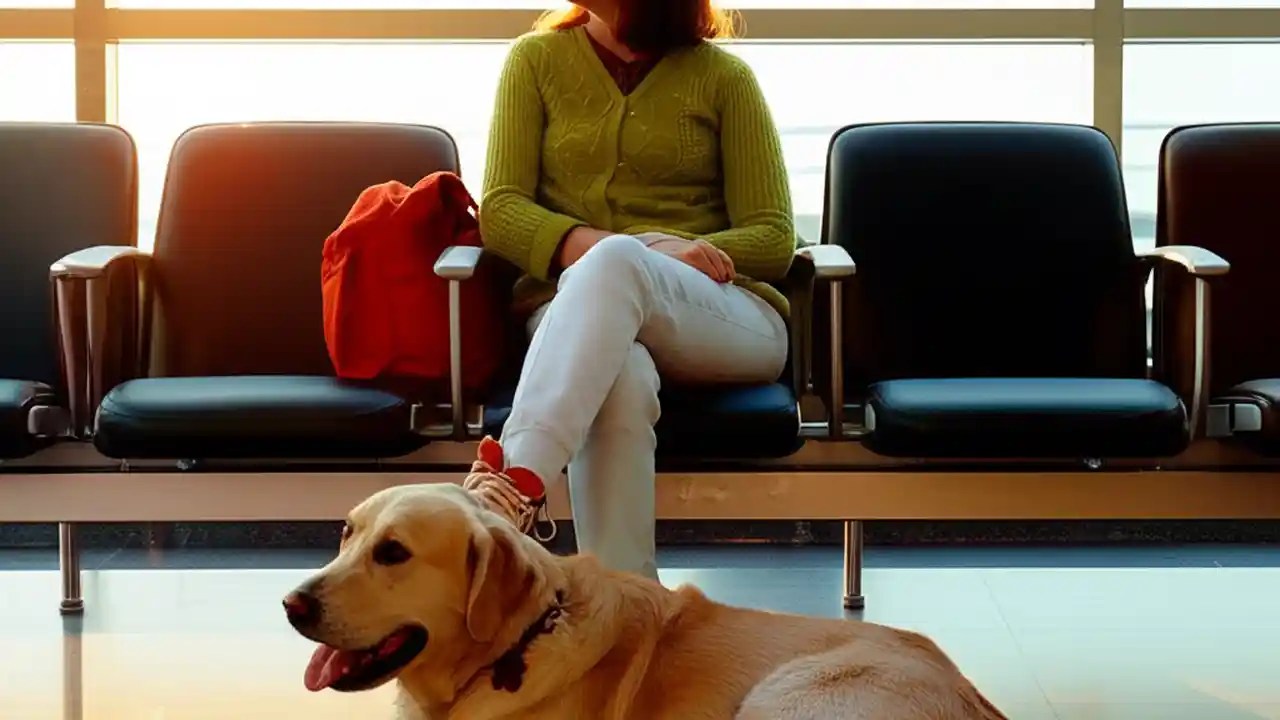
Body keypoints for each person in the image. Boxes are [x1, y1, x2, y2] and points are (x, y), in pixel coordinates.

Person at [467, 0, 795, 581]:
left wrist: (656, 256)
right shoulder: (535, 61)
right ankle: (625, 611)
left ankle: (509, 487)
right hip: (572, 309)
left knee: (619, 258)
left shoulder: (724, 78)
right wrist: (641, 248)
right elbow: (502, 211)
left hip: (720, 317)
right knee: (618, 375)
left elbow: (772, 236)